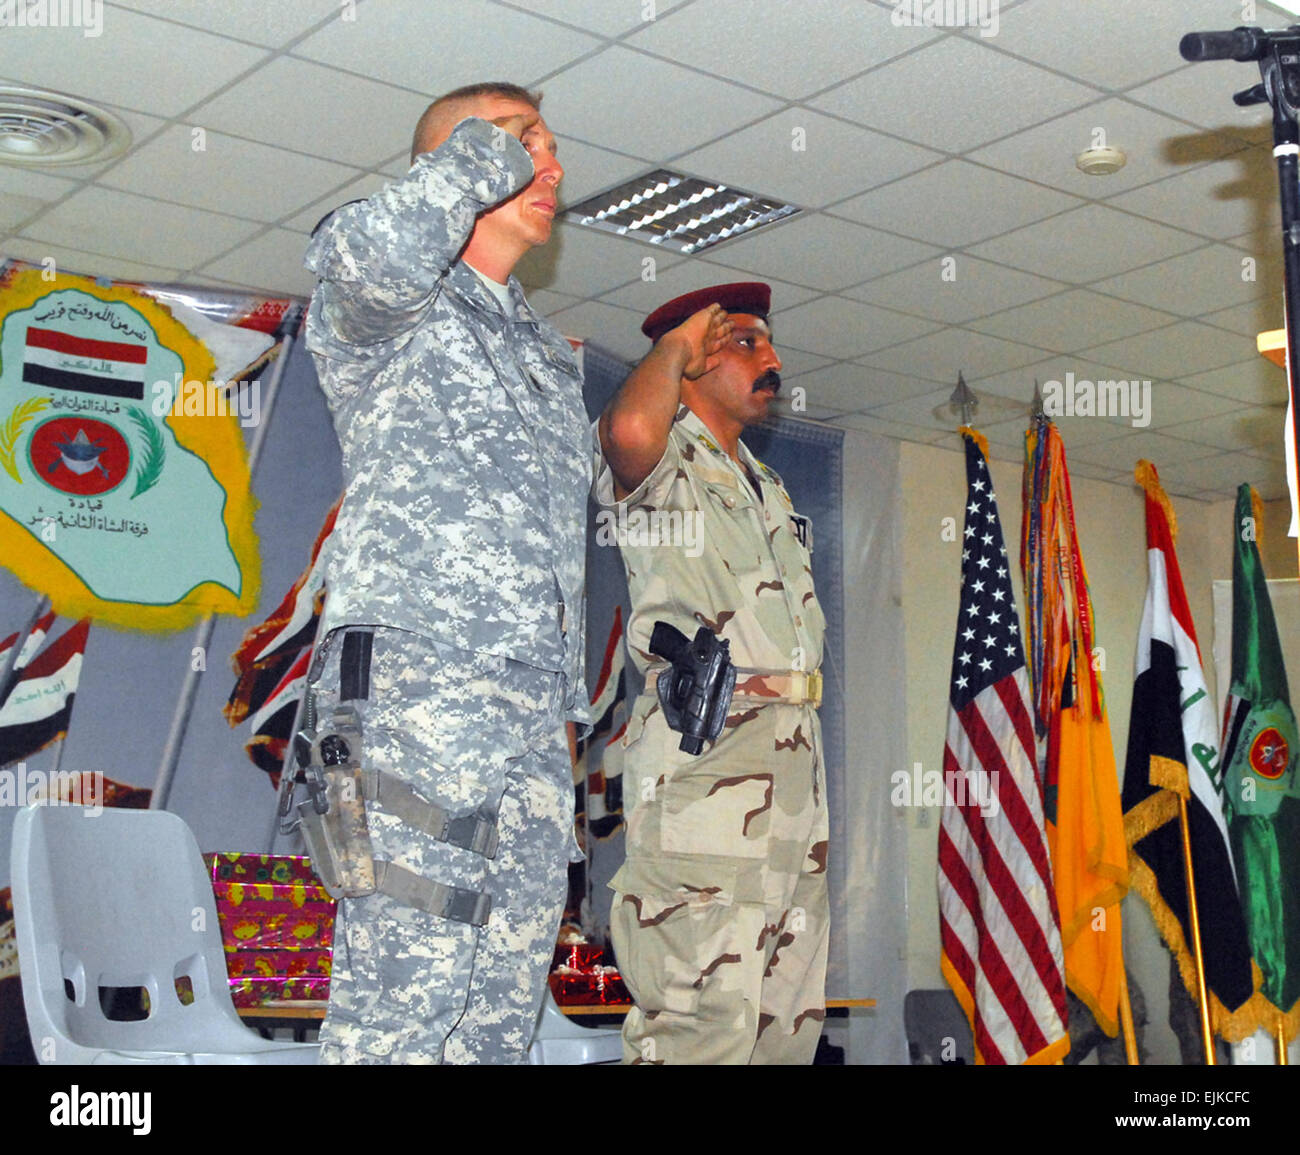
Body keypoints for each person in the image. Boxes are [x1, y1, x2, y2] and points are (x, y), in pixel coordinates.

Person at [301, 82, 590, 1064]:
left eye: (549, 147)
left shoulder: (548, 356)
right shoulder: (386, 300)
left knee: (499, 1025)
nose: (547, 165)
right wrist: (479, 155)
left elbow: (556, 553)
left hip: (526, 722)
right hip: (413, 694)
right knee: (400, 1012)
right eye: (522, 144)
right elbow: (380, 260)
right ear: (453, 159)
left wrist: (565, 712)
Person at [595, 283, 828, 1064]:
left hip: (794, 779)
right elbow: (628, 426)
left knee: (783, 1028)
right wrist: (672, 344)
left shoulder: (768, 485)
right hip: (706, 774)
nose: (774, 360)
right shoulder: (667, 465)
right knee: (701, 1029)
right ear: (693, 360)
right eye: (747, 344)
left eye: (770, 343)